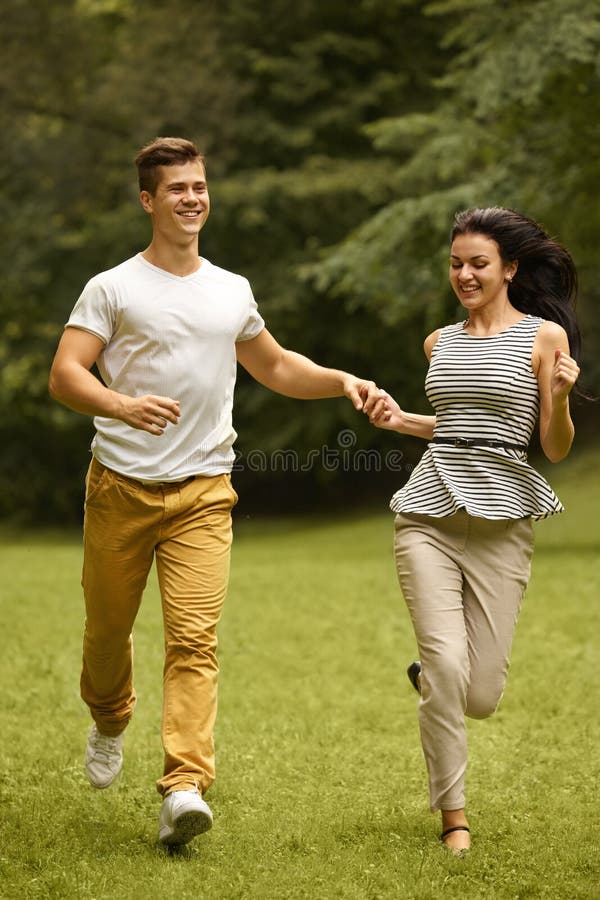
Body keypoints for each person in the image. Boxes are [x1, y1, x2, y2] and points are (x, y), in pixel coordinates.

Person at [49, 137, 381, 847]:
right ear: (148, 200)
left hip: (203, 491)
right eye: (177, 188)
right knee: (107, 635)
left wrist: (340, 381)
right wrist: (120, 404)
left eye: (199, 186)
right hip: (120, 489)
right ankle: (110, 719)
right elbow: (66, 374)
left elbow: (278, 366)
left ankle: (185, 787)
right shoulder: (112, 287)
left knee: (194, 641)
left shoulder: (231, 289)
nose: (193, 198)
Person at [366, 207, 581, 854]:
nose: (464, 274)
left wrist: (564, 398)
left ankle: (436, 679)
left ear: (509, 268)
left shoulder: (544, 339)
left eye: (477, 263)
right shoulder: (440, 341)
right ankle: (453, 818)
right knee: (445, 661)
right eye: (456, 263)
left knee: (478, 694)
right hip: (427, 517)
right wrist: (401, 420)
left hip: (502, 525)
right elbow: (458, 423)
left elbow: (551, 445)